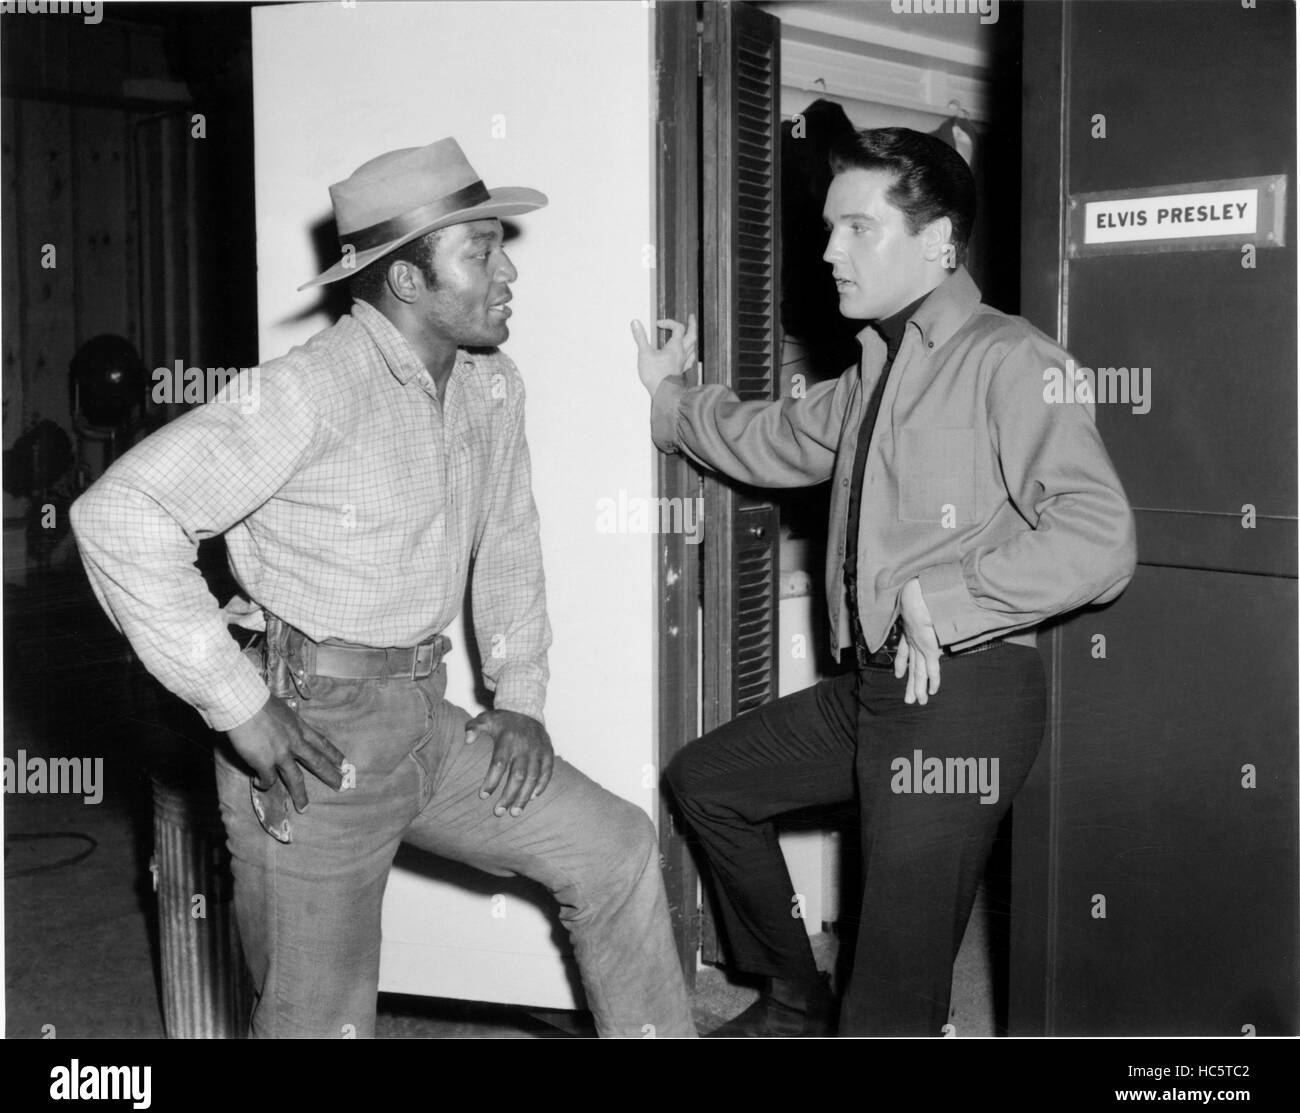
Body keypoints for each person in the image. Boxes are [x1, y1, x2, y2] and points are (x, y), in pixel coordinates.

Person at [72, 137, 695, 1039]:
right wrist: (238, 704)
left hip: (425, 718)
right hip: (313, 739)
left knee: (617, 849)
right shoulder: (307, 392)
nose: (508, 270)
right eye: (479, 251)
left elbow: (510, 540)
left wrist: (520, 697)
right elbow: (119, 514)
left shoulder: (490, 385)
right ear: (406, 282)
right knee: (319, 1022)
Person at [631, 127, 1136, 1037]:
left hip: (963, 696)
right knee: (708, 782)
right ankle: (790, 990)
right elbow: (773, 437)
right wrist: (671, 402)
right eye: (831, 228)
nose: (828, 250)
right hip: (872, 685)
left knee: (890, 1001)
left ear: (939, 243)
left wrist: (943, 596)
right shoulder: (874, 366)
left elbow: (1101, 538)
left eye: (858, 228)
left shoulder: (1013, 361)